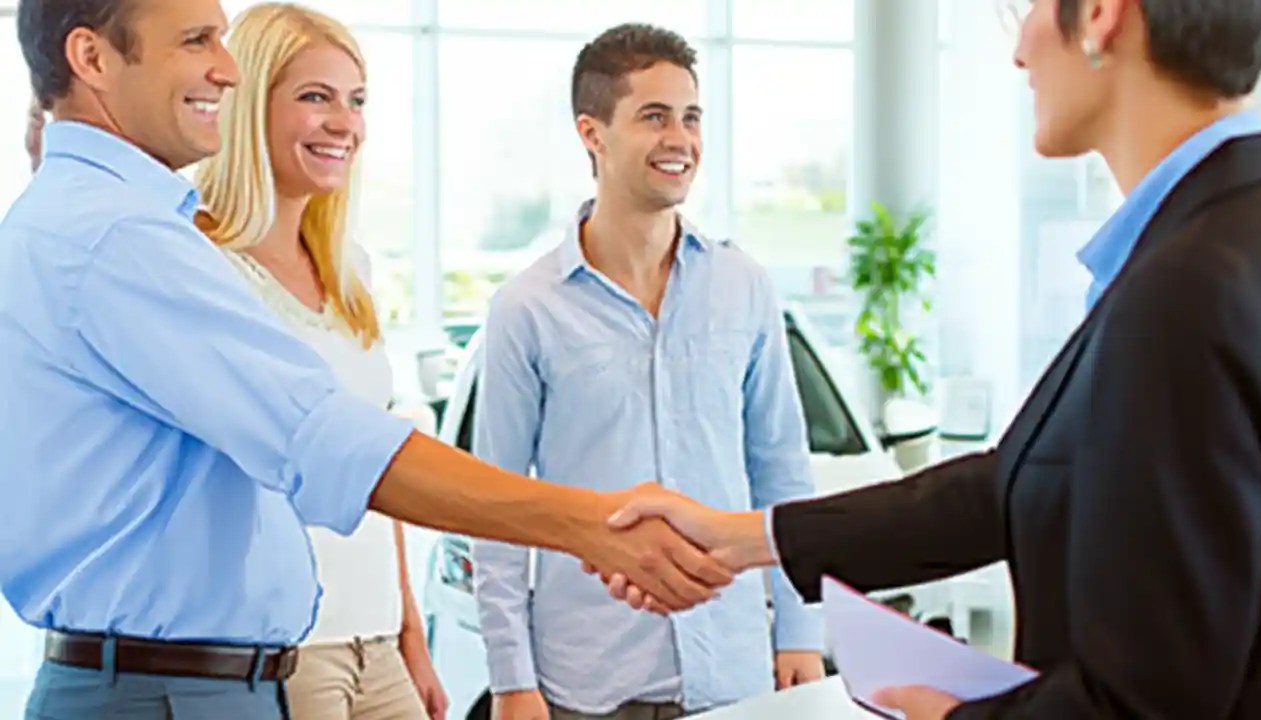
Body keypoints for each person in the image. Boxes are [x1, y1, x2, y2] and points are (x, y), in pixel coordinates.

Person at [0, 1, 731, 718]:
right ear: (92, 58)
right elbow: (321, 439)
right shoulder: (119, 237)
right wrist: (590, 524)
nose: (226, 71)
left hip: (222, 674)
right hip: (170, 688)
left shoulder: (104, 222)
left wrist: (409, 624)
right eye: (195, 41)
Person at [594, 0, 1261, 718]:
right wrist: (744, 538)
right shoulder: (1224, 244)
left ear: (1103, 14)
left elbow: (1152, 699)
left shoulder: (1187, 287)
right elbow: (1012, 484)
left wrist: (950, 718)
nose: (1019, 53)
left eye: (1031, 8)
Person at [472, 23, 824, 720]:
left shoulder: (744, 285)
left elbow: (782, 471)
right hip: (590, 684)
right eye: (654, 117)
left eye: (691, 117)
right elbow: (497, 511)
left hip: (735, 676)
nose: (681, 139)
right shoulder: (527, 309)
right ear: (592, 133)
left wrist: (801, 631)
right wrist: (513, 681)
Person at [190, 4, 444, 719]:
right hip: (282, 648)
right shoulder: (204, 268)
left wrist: (409, 631)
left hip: (377, 638)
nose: (345, 123)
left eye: (355, 101)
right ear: (247, 105)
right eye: (315, 97)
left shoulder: (349, 270)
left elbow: (376, 458)